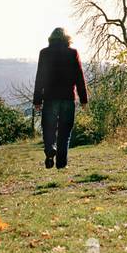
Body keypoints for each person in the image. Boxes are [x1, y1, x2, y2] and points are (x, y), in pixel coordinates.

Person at [33, 27, 88, 170]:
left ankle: (50, 148)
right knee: (65, 131)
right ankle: (61, 164)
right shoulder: (73, 53)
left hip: (50, 97)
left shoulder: (44, 53)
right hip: (68, 98)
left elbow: (40, 78)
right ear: (67, 38)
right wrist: (83, 99)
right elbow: (79, 76)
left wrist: (37, 100)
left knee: (48, 128)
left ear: (51, 38)